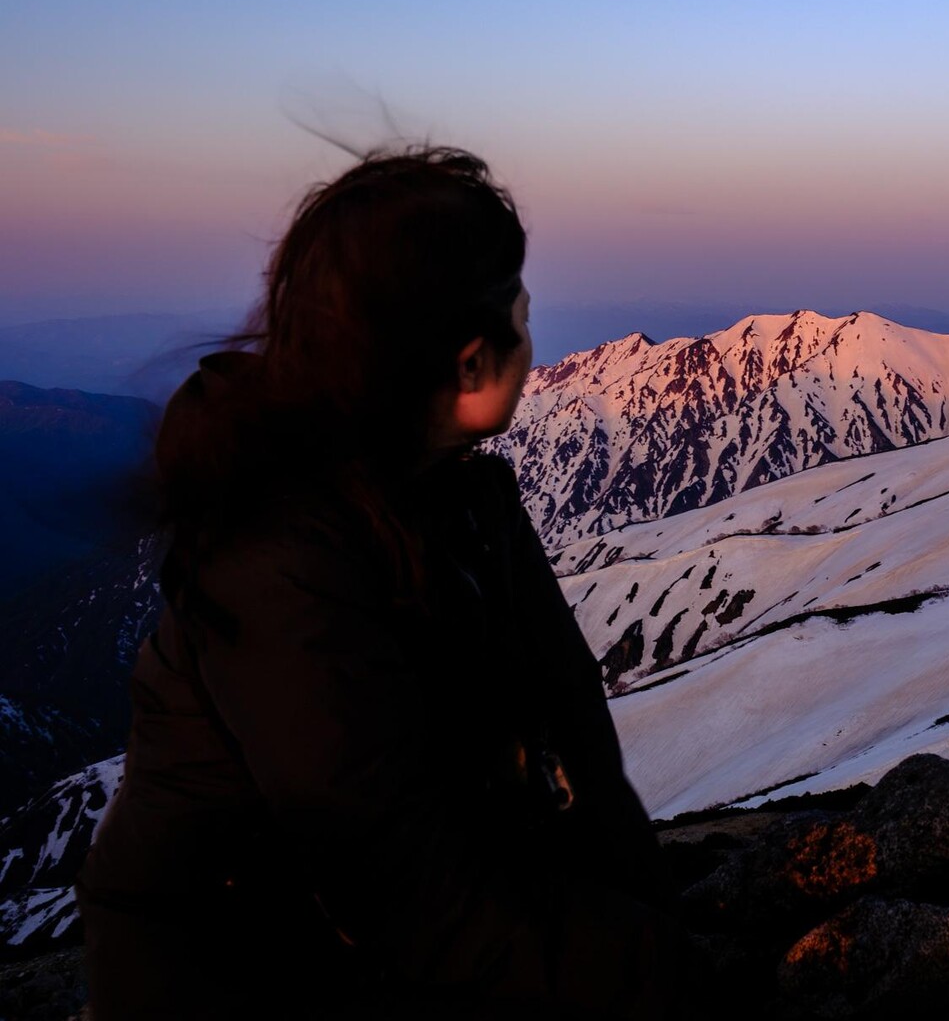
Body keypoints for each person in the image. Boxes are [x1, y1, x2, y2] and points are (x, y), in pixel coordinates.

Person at [75, 147, 689, 1019]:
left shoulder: (458, 496)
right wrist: (646, 972)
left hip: (356, 939)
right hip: (224, 971)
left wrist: (646, 923)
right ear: (470, 367)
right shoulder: (279, 551)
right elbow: (394, 875)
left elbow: (571, 730)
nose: (533, 337)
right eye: (522, 313)